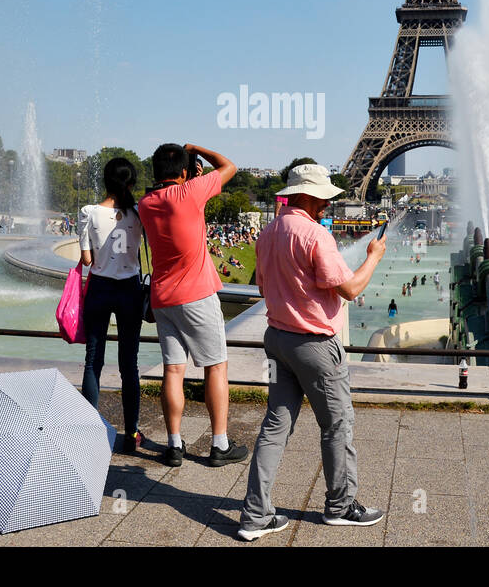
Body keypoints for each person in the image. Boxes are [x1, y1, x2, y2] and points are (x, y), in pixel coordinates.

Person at [238, 164, 387, 540]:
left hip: (277, 339)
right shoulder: (315, 235)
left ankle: (255, 514)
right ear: (307, 195)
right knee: (337, 425)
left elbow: (261, 289)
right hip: (315, 346)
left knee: (275, 427)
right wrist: (373, 256)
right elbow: (350, 289)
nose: (326, 203)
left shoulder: (269, 232)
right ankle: (340, 505)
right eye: (322, 196)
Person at [136, 143, 248, 468]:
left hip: (162, 298)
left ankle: (174, 445)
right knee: (216, 366)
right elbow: (229, 166)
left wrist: (187, 176)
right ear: (184, 171)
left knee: (173, 369)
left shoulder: (146, 203)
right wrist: (196, 149)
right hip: (196, 295)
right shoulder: (191, 193)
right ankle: (220, 445)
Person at [77, 157, 146, 453]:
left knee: (94, 360)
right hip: (129, 289)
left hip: (100, 288)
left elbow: (87, 260)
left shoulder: (88, 212)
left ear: (105, 181)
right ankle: (131, 433)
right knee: (129, 364)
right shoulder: (139, 213)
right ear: (130, 184)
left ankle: (90, 430)